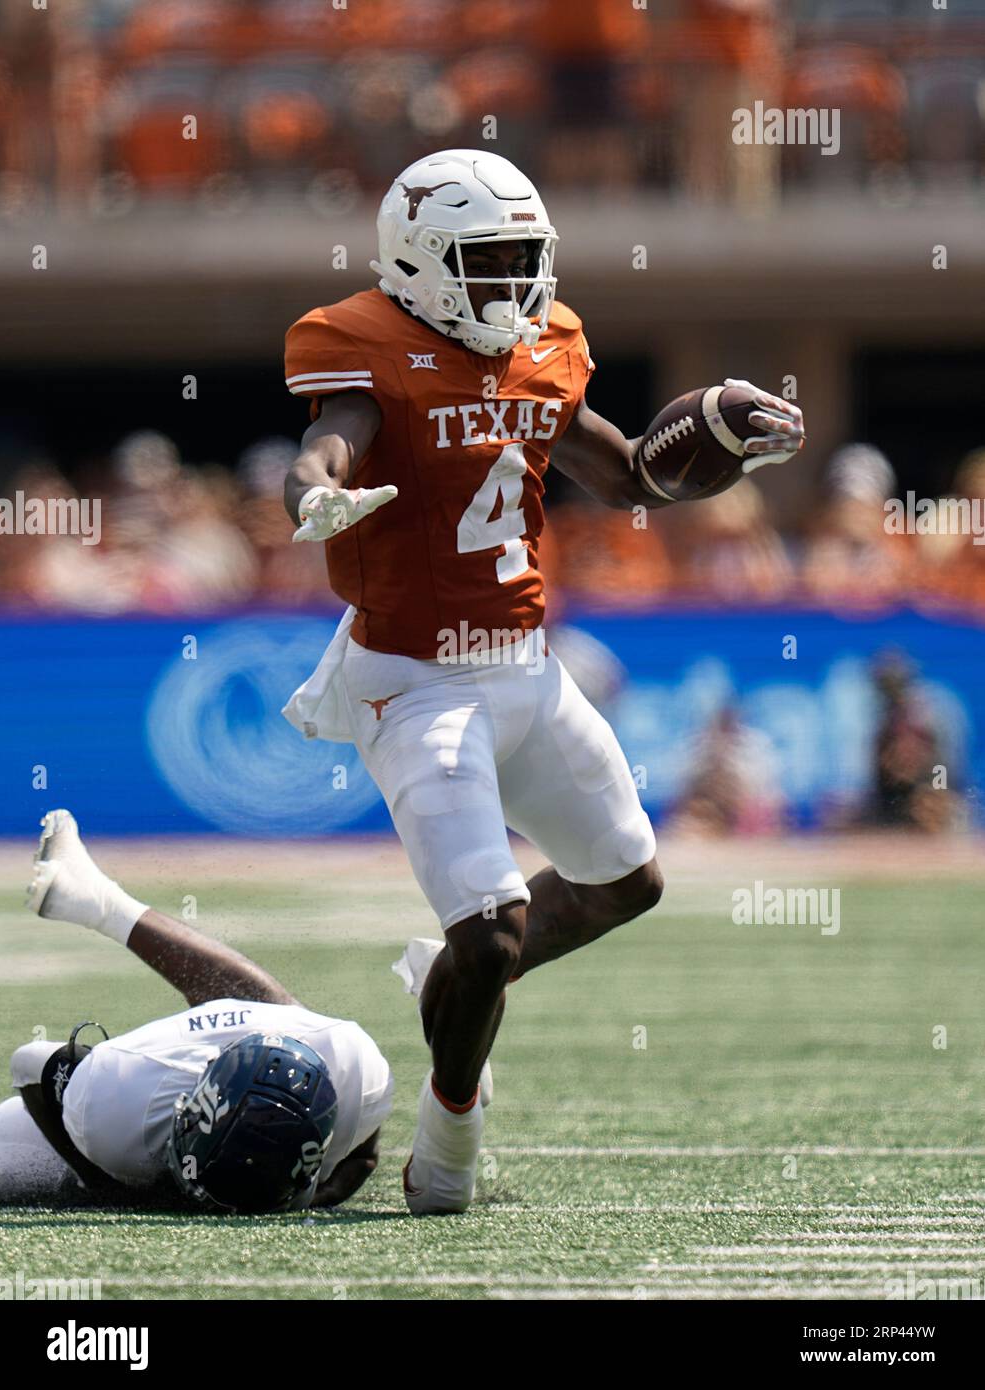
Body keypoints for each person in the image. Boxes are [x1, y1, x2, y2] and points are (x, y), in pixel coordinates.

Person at [280, 148, 805, 1215]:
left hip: (526, 664)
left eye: (527, 257)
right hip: (414, 682)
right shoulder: (364, 345)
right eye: (489, 260)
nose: (515, 284)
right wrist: (312, 495)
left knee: (628, 881)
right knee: (495, 927)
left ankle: (448, 975)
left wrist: (710, 453)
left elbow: (622, 478)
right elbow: (327, 443)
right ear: (418, 264)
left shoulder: (543, 346)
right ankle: (447, 1139)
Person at [0, 811, 392, 1212]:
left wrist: (326, 1193)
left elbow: (363, 1159)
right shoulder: (113, 1110)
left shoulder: (356, 1072)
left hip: (252, 1052)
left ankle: (95, 898)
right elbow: (30, 1062)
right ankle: (94, 898)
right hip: (135, 1088)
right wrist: (108, 1187)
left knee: (287, 1016)